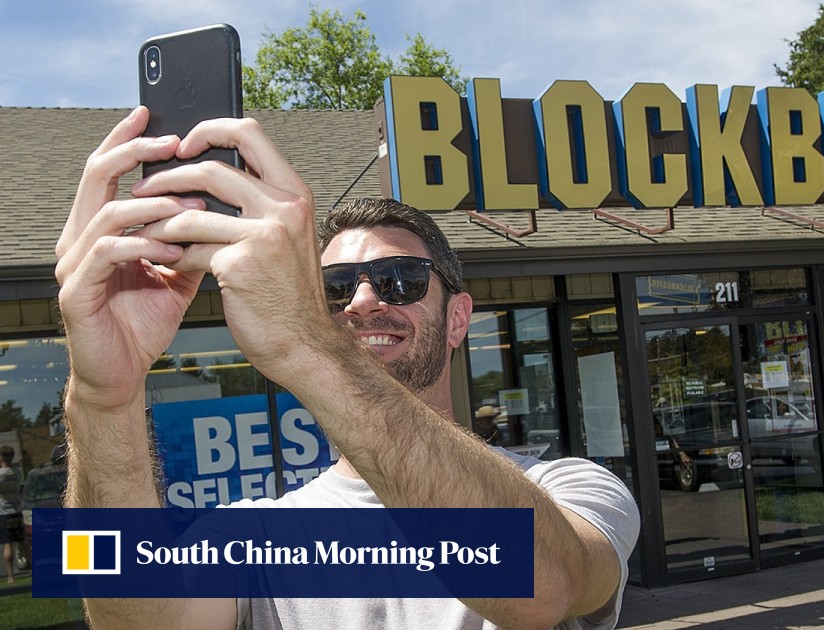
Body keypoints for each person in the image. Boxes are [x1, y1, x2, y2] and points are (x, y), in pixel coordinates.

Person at [54, 107, 639, 629]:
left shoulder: (569, 490)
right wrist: (106, 396)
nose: (362, 302)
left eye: (398, 280)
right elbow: (132, 615)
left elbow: (543, 587)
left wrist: (306, 343)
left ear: (458, 318)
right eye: (333, 289)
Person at [0, 444, 30, 583]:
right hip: (17, 510)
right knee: (22, 542)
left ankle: (11, 575)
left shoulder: (1, 474)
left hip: (4, 512)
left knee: (7, 544)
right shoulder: (17, 472)